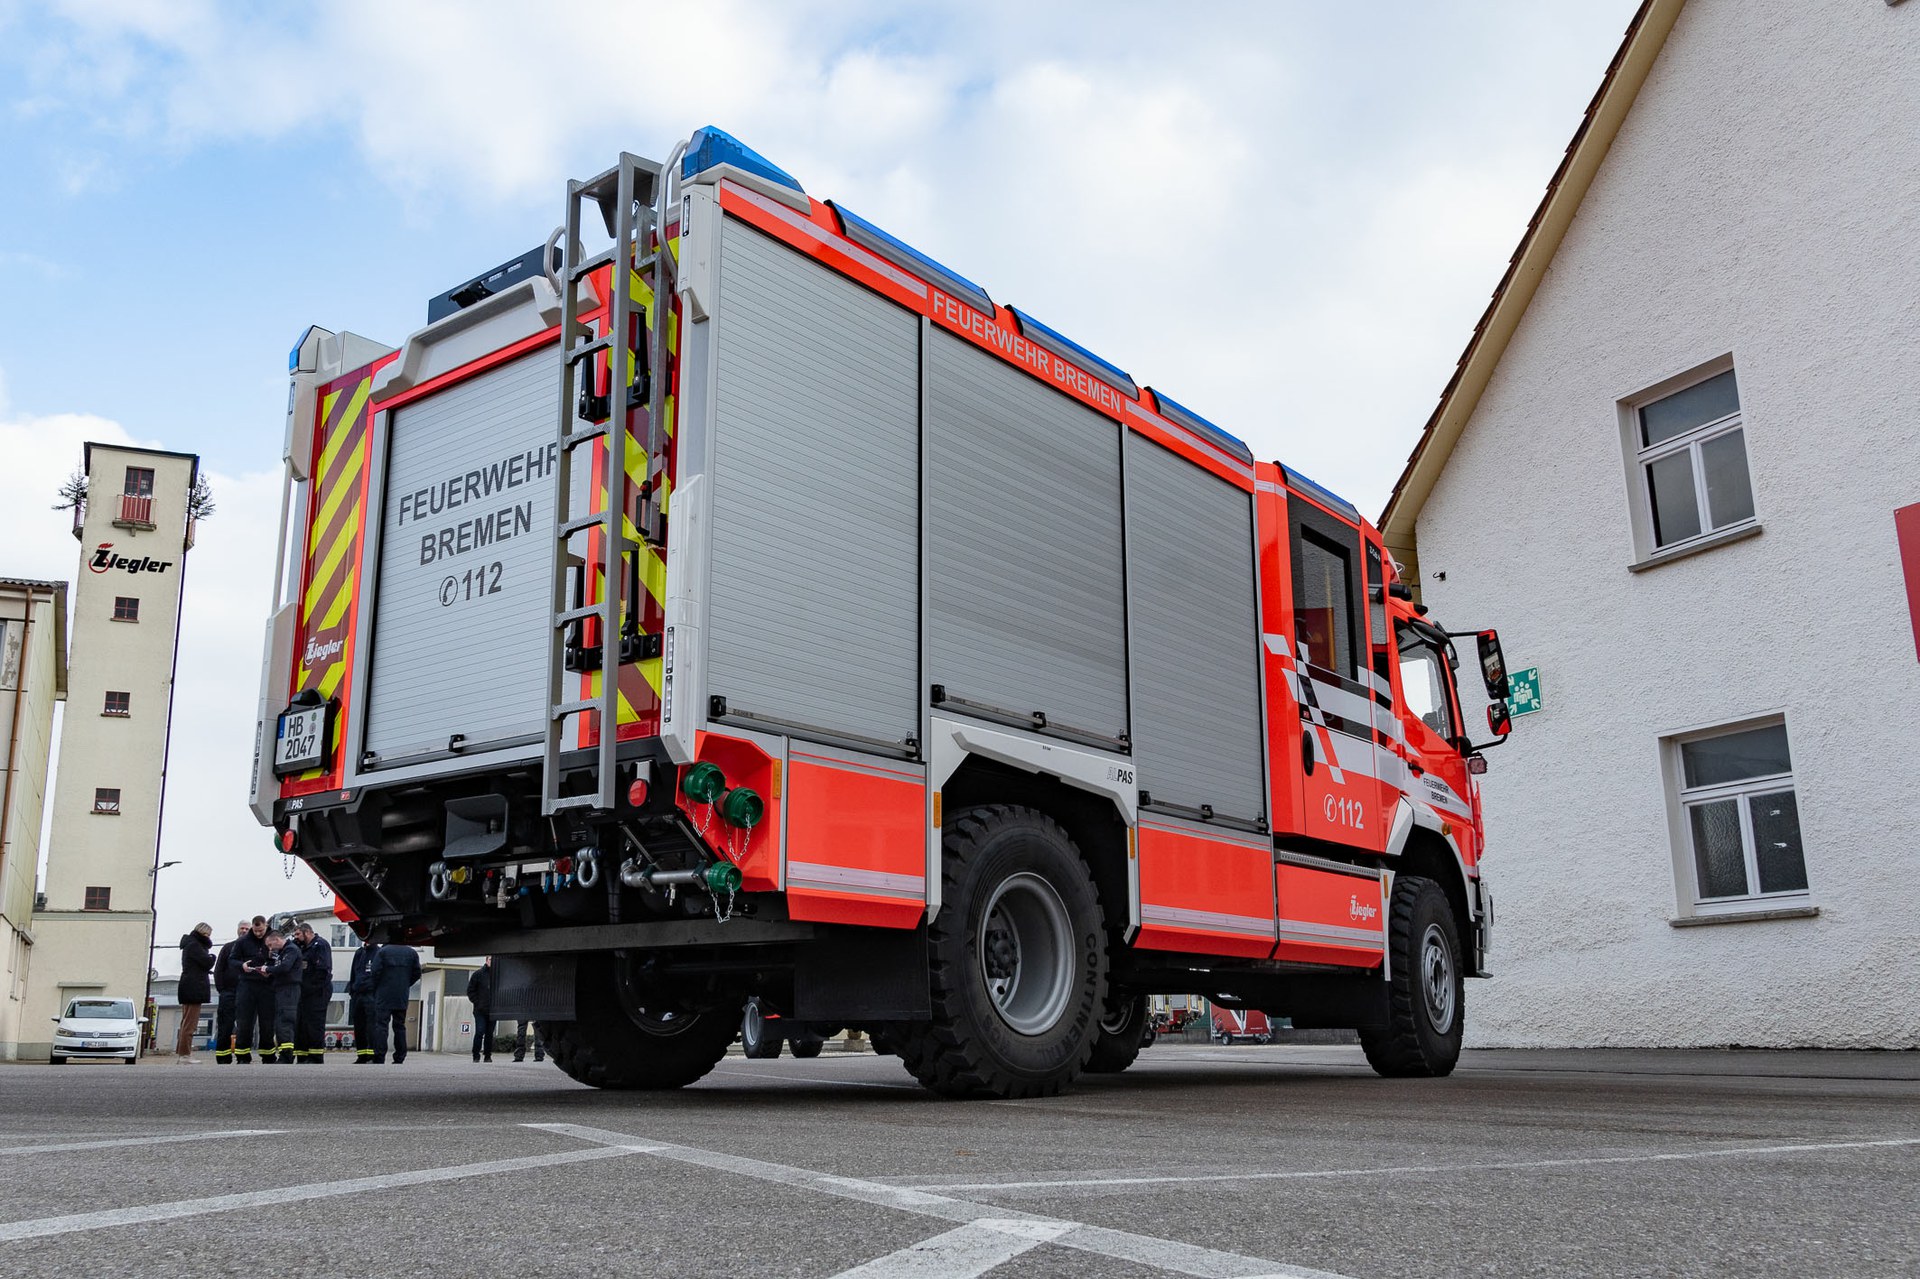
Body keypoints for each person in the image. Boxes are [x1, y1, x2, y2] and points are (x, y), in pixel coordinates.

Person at [366, 940, 421, 1064]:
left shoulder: (382, 952)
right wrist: (405, 984)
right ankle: (400, 1056)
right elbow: (417, 973)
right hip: (401, 995)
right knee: (400, 1026)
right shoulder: (411, 953)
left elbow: (375, 972)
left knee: (381, 1026)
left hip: (383, 995)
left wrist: (378, 987)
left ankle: (379, 1056)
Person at [231, 916, 274, 1064]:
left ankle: (268, 1055)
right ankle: (242, 1056)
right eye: (255, 931)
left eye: (261, 930)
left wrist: (271, 969)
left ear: (266, 926)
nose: (258, 934)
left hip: (267, 985)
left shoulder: (273, 938)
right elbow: (232, 960)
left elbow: (281, 958)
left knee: (267, 1022)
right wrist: (241, 966)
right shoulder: (242, 941)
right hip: (247, 985)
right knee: (244, 1022)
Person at [291, 923, 333, 1063]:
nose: (296, 937)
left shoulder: (320, 945)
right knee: (302, 1025)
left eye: (298, 934)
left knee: (314, 1024)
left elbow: (322, 970)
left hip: (317, 991)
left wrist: (311, 987)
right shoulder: (301, 947)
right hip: (304, 992)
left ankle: (315, 1056)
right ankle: (302, 1056)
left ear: (307, 932)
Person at [175, 923, 214, 1063]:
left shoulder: (189, 944)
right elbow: (207, 962)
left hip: (187, 986)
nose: (208, 937)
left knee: (185, 1022)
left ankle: (182, 1053)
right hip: (194, 988)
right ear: (203, 933)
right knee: (190, 1024)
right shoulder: (195, 946)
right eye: (207, 934)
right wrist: (212, 957)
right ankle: (185, 1055)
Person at [263, 930, 304, 1064]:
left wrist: (267, 969)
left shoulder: (291, 950)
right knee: (281, 1022)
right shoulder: (283, 952)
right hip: (282, 989)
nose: (270, 948)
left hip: (289, 989)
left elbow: (285, 967)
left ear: (277, 940)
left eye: (270, 945)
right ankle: (284, 1053)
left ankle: (287, 1055)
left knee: (285, 1022)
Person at [212, 920, 248, 1063]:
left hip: (246, 993)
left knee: (244, 1026)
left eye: (246, 929)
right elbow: (218, 969)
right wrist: (222, 989)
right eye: (242, 928)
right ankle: (223, 1057)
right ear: (237, 930)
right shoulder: (228, 948)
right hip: (228, 993)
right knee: (225, 1026)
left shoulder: (252, 949)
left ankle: (243, 1057)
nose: (244, 931)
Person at [348, 939, 379, 1063]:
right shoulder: (359, 953)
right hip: (357, 994)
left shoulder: (378, 952)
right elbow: (353, 973)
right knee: (359, 1026)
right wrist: (352, 990)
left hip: (371, 994)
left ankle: (372, 1055)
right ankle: (361, 1055)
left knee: (371, 1026)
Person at [466, 958, 495, 1063]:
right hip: (480, 1010)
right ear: (486, 960)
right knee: (480, 1031)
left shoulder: (497, 975)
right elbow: (470, 990)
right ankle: (476, 1055)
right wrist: (477, 1003)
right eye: (490, 959)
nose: (492, 961)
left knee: (489, 1034)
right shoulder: (478, 974)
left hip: (493, 1010)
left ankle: (487, 1055)